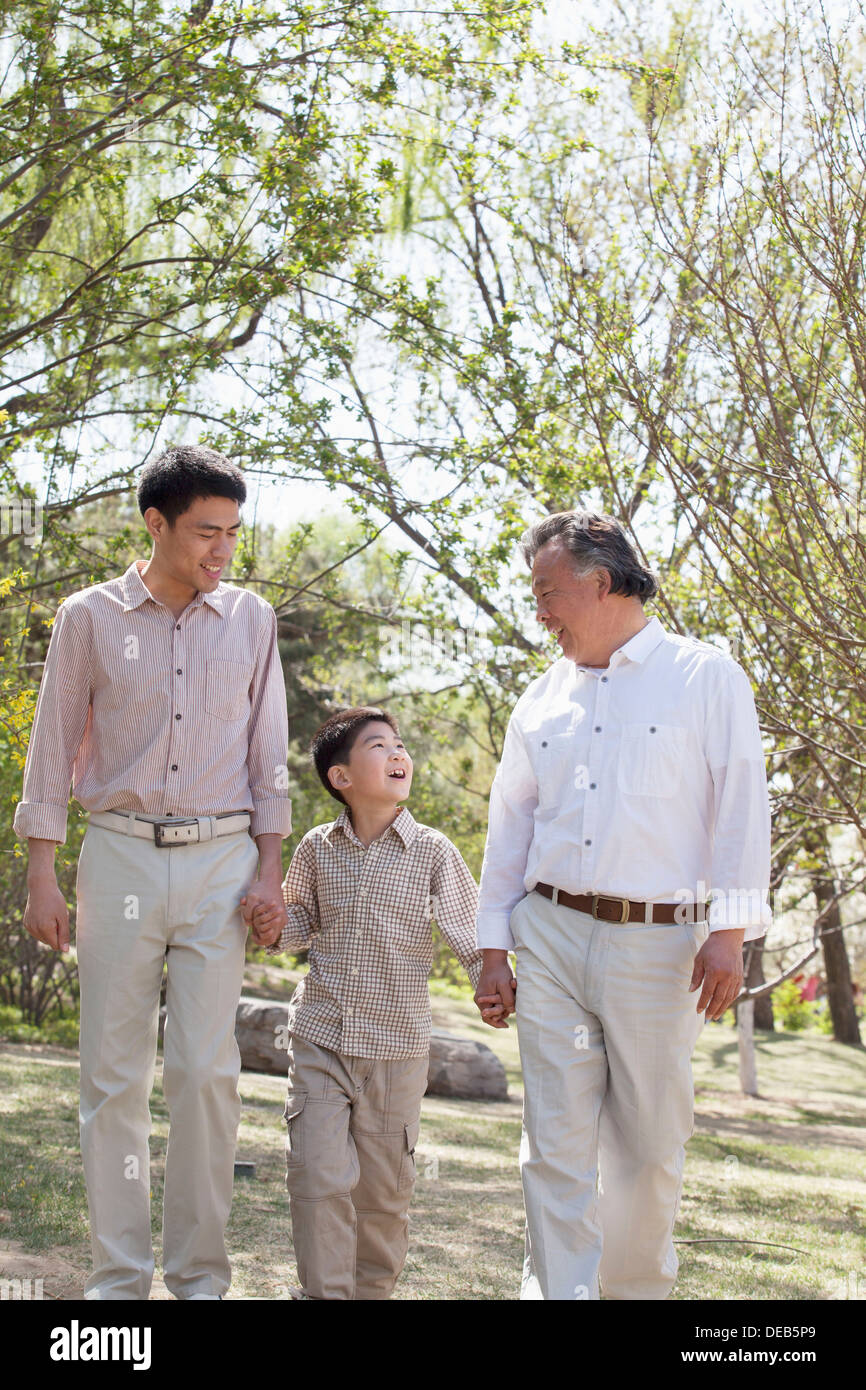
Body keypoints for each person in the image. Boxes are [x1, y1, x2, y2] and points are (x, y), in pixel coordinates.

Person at [15, 444, 292, 1300]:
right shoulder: (88, 617)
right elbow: (53, 745)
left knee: (206, 1076)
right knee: (112, 1077)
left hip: (222, 859)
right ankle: (119, 1280)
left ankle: (201, 1279)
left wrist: (270, 869)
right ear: (155, 524)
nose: (222, 550)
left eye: (233, 534)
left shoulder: (250, 619)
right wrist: (42, 872)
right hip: (122, 852)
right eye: (206, 532)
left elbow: (267, 753)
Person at [474, 510, 772, 1301]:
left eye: (547, 592)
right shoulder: (541, 698)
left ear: (600, 582)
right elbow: (510, 829)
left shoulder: (706, 676)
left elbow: (742, 806)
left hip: (662, 947)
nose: (538, 611)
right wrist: (493, 947)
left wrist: (728, 931)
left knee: (647, 1147)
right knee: (555, 1142)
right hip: (552, 938)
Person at [255, 706, 484, 1300]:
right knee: (316, 1177)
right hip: (321, 1038)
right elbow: (299, 922)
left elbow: (470, 929)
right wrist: (271, 922)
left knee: (383, 1195)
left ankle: (371, 1293)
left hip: (397, 1049)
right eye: (378, 745)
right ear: (342, 778)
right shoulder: (315, 847)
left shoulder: (432, 850)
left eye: (400, 744)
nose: (397, 753)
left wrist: (493, 979)